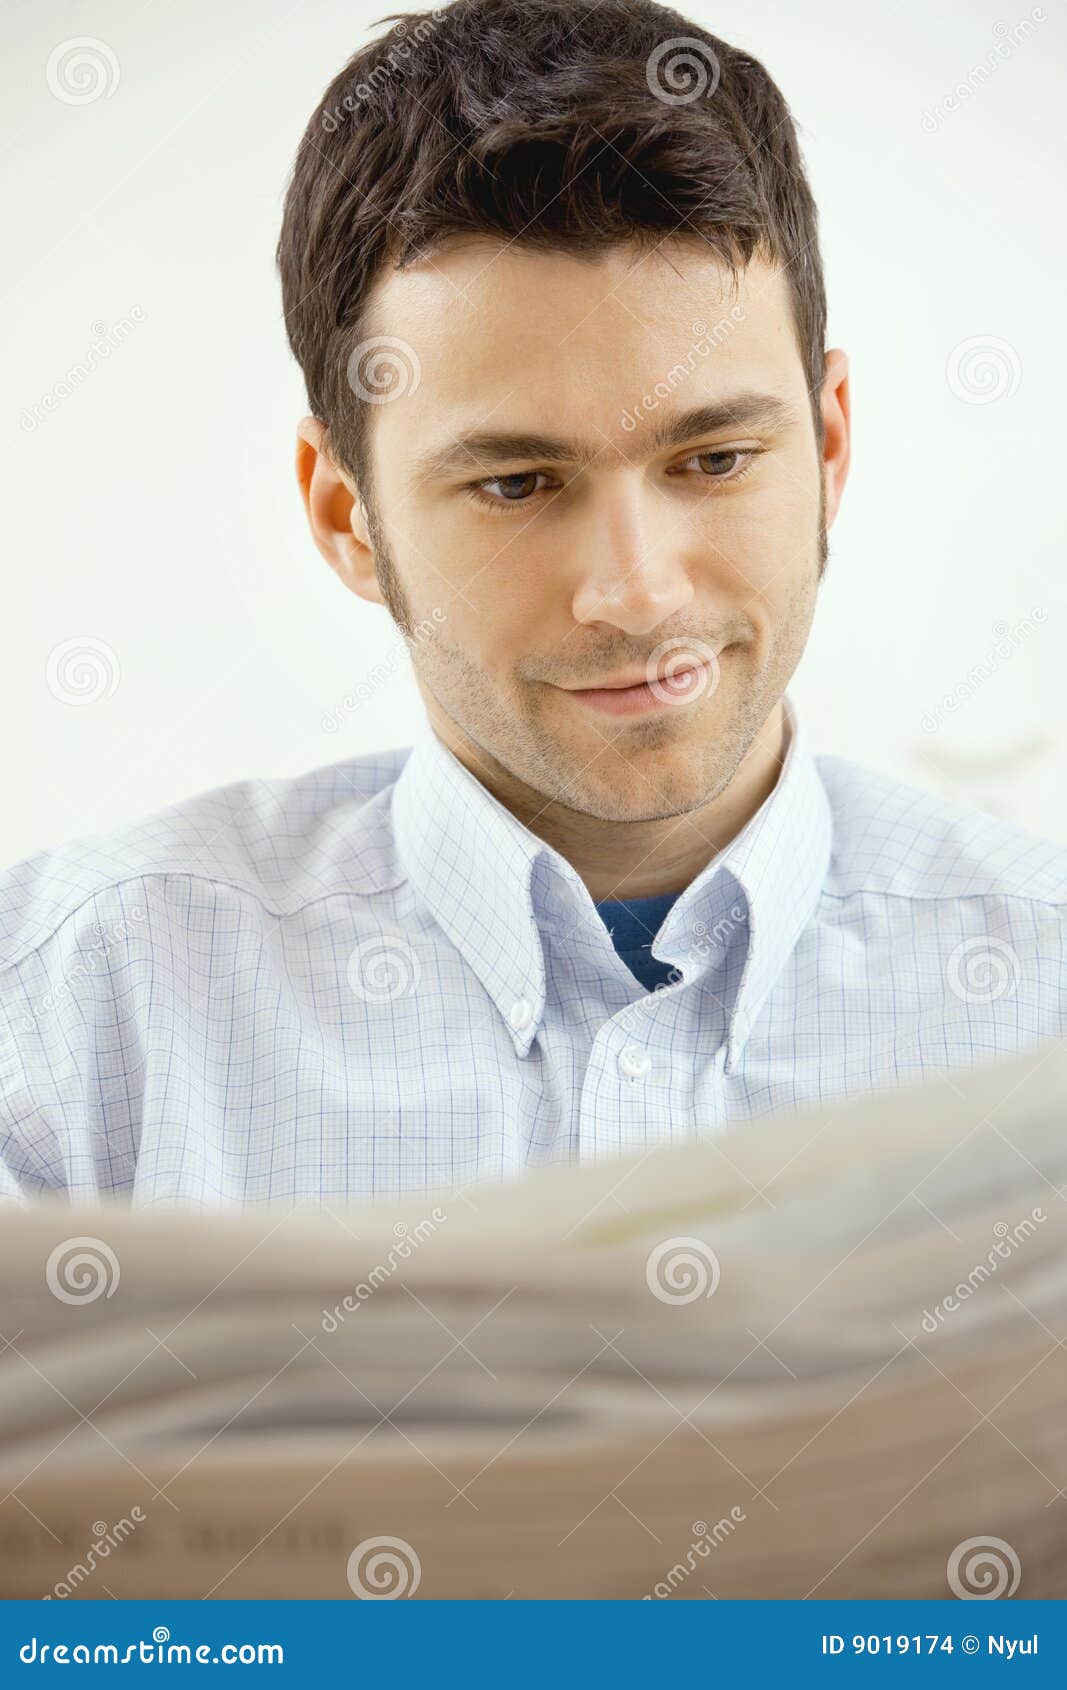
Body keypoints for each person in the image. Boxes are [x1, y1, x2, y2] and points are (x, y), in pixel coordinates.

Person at [1, 0, 1064, 1204]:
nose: (635, 590)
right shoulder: (69, 1019)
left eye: (712, 459)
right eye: (515, 482)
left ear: (826, 446)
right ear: (348, 517)